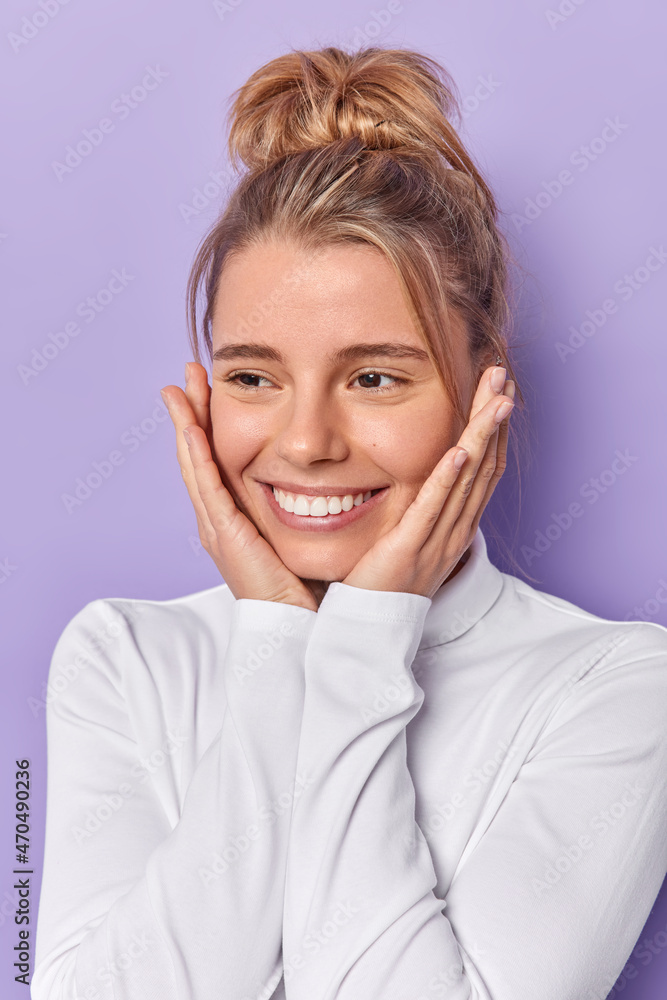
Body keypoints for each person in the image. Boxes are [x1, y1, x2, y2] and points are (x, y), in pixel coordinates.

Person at [33, 45, 667, 1000]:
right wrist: (276, 642)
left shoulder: (615, 688)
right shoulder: (125, 659)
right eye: (253, 376)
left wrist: (364, 641)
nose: (307, 442)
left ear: (483, 387)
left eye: (374, 377)